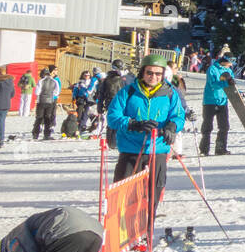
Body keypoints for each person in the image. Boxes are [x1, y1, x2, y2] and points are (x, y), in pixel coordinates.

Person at [106, 54, 186, 219]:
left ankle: (146, 229)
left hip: (158, 150)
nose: (153, 77)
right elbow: (113, 116)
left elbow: (178, 116)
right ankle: (123, 230)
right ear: (142, 72)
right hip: (131, 150)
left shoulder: (170, 93)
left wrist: (171, 127)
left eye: (158, 74)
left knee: (153, 194)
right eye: (149, 72)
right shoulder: (128, 92)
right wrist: (133, 124)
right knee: (124, 194)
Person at [200, 53, 235, 156]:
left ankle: (220, 148)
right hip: (210, 101)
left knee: (224, 126)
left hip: (223, 101)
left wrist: (238, 92)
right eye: (231, 61)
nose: (231, 64)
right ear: (225, 60)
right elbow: (213, 85)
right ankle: (204, 149)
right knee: (207, 127)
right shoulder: (212, 69)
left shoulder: (228, 71)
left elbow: (231, 86)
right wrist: (226, 83)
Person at [96, 60, 129, 147]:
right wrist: (100, 107)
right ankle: (111, 142)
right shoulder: (109, 80)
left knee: (119, 122)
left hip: (119, 103)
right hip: (112, 103)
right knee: (113, 122)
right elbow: (101, 94)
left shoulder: (124, 79)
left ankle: (115, 141)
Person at [32, 67, 59, 140]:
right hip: (50, 101)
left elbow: (37, 92)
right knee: (48, 118)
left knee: (39, 118)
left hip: (41, 101)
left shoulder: (41, 81)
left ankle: (35, 133)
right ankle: (47, 134)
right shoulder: (54, 81)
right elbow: (56, 92)